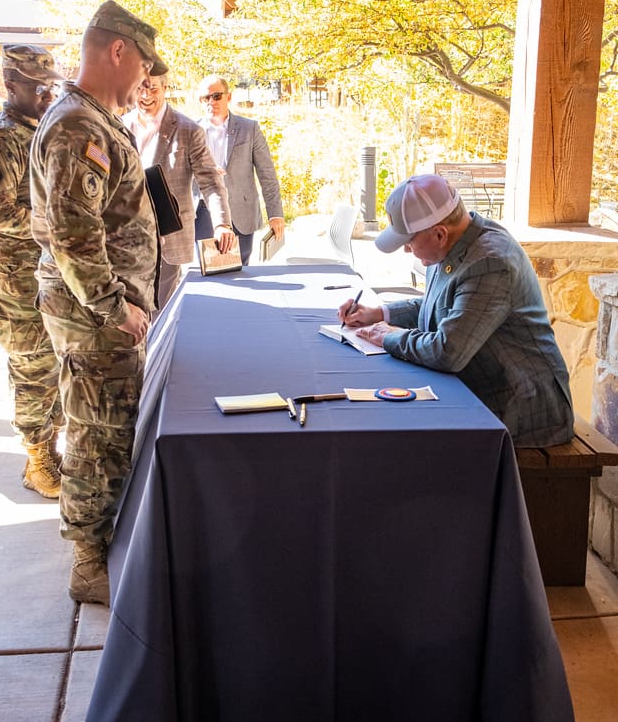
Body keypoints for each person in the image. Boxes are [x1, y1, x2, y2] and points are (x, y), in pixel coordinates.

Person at [30, 0, 163, 605]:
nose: (145, 78)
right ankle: (89, 565)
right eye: (142, 64)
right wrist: (116, 305)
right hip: (94, 316)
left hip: (102, 311)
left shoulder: (92, 119)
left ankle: (101, 549)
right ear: (118, 51)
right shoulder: (77, 127)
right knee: (96, 433)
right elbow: (73, 233)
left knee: (107, 428)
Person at [339, 173, 574, 448]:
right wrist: (380, 314)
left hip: (521, 406)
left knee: (398, 434)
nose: (405, 249)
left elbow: (447, 352)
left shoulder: (490, 262)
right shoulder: (458, 241)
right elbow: (439, 305)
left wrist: (386, 336)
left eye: (409, 241)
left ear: (439, 233)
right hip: (484, 385)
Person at [0, 45, 64, 497]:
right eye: (37, 86)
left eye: (51, 85)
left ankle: (50, 444)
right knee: (32, 364)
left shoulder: (44, 130)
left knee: (56, 360)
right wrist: (61, 225)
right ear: (10, 85)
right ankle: (36, 458)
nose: (47, 94)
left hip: (50, 269)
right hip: (15, 273)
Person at [124, 67, 235, 308]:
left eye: (153, 87)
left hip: (169, 235)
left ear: (165, 89)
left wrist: (221, 223)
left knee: (160, 309)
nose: (146, 95)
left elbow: (210, 181)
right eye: (141, 87)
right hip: (127, 236)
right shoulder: (119, 127)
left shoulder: (188, 130)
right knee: (131, 310)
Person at [194, 74, 284, 265]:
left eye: (216, 96)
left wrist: (275, 214)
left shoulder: (249, 128)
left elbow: (266, 173)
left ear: (229, 96)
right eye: (205, 98)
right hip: (203, 213)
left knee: (240, 271)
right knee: (207, 273)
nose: (211, 102)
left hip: (241, 214)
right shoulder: (192, 130)